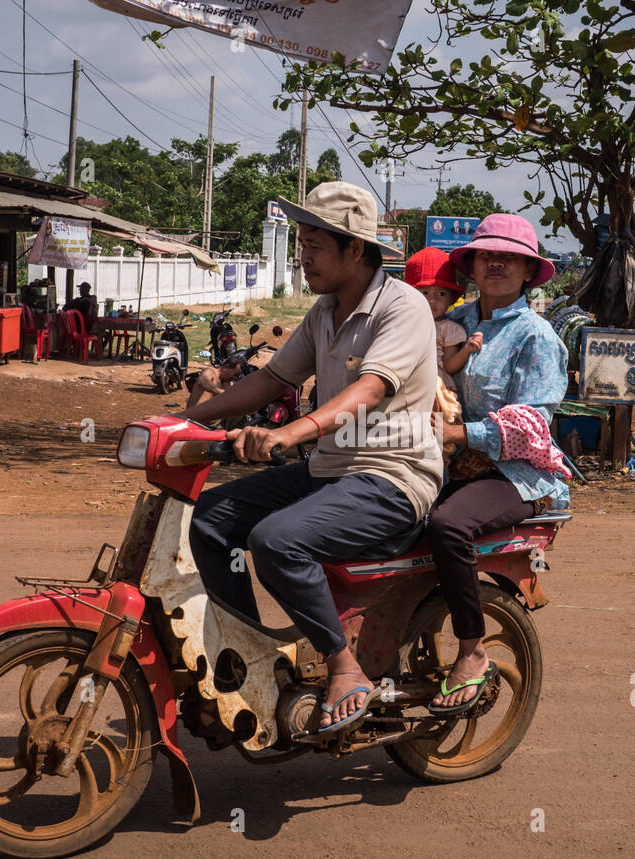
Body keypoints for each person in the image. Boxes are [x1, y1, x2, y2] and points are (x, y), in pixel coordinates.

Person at [184, 181, 443, 736]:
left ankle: (344, 667)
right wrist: (191, 421)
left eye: (314, 246)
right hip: (329, 472)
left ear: (355, 249)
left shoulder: (405, 308)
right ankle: (246, 658)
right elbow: (274, 378)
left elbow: (369, 390)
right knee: (206, 518)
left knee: (275, 540)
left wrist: (290, 433)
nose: (303, 258)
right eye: (300, 244)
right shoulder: (324, 312)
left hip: (393, 479)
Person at [429, 214, 571, 715]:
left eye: (508, 257)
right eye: (486, 255)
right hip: (445, 463)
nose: (495, 263)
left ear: (529, 271)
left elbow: (532, 422)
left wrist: (459, 432)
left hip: (515, 472)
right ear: (469, 265)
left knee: (447, 525)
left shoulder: (537, 336)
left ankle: (470, 649)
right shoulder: (454, 320)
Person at [405, 246, 471, 388]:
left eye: (441, 294)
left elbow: (449, 366)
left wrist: (467, 350)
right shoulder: (401, 323)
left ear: (451, 299)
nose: (432, 300)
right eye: (424, 293)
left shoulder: (448, 329)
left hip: (437, 391)